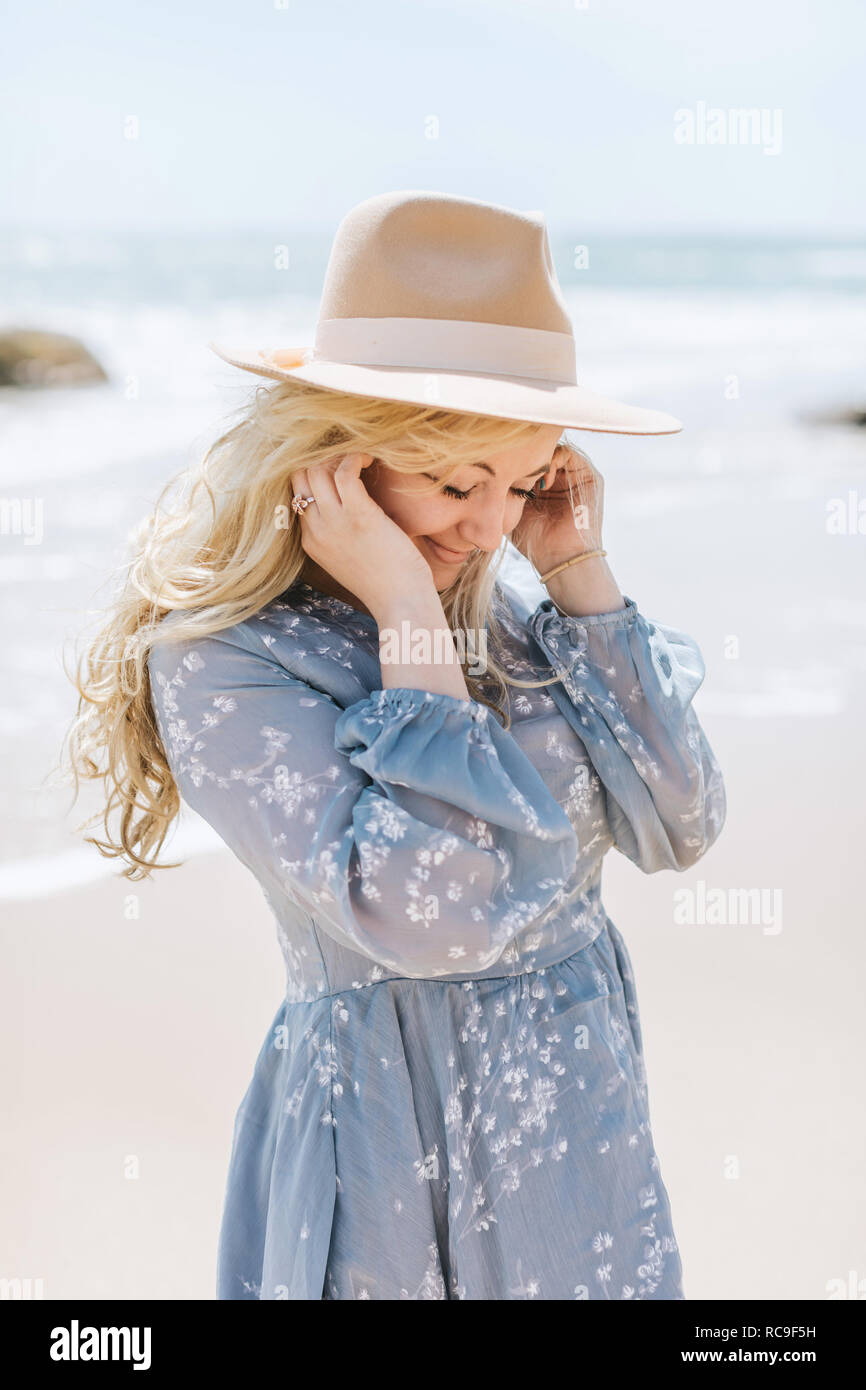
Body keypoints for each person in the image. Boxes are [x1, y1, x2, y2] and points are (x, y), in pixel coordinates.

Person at [66, 190, 726, 1300]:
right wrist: (410, 627)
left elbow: (682, 820)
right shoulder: (225, 660)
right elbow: (437, 920)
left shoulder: (517, 609)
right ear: (332, 461)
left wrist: (572, 569)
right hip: (387, 1145)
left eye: (518, 481)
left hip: (580, 1137)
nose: (487, 527)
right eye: (456, 481)